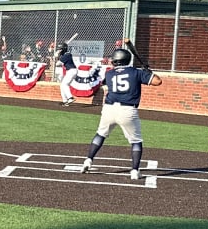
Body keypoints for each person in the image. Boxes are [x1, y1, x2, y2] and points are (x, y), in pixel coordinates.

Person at [79, 48, 162, 180]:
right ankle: (134, 171)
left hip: (109, 109)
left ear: (115, 61)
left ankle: (88, 160)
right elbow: (158, 81)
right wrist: (147, 71)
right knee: (136, 141)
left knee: (101, 134)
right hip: (128, 111)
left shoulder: (110, 74)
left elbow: (107, 80)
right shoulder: (136, 72)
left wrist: (143, 71)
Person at [54, 41, 77, 106]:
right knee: (62, 85)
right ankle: (65, 101)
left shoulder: (67, 55)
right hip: (70, 71)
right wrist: (58, 56)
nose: (59, 51)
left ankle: (70, 98)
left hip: (71, 71)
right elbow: (59, 63)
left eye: (60, 49)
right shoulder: (65, 55)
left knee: (65, 84)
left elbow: (57, 64)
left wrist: (56, 57)